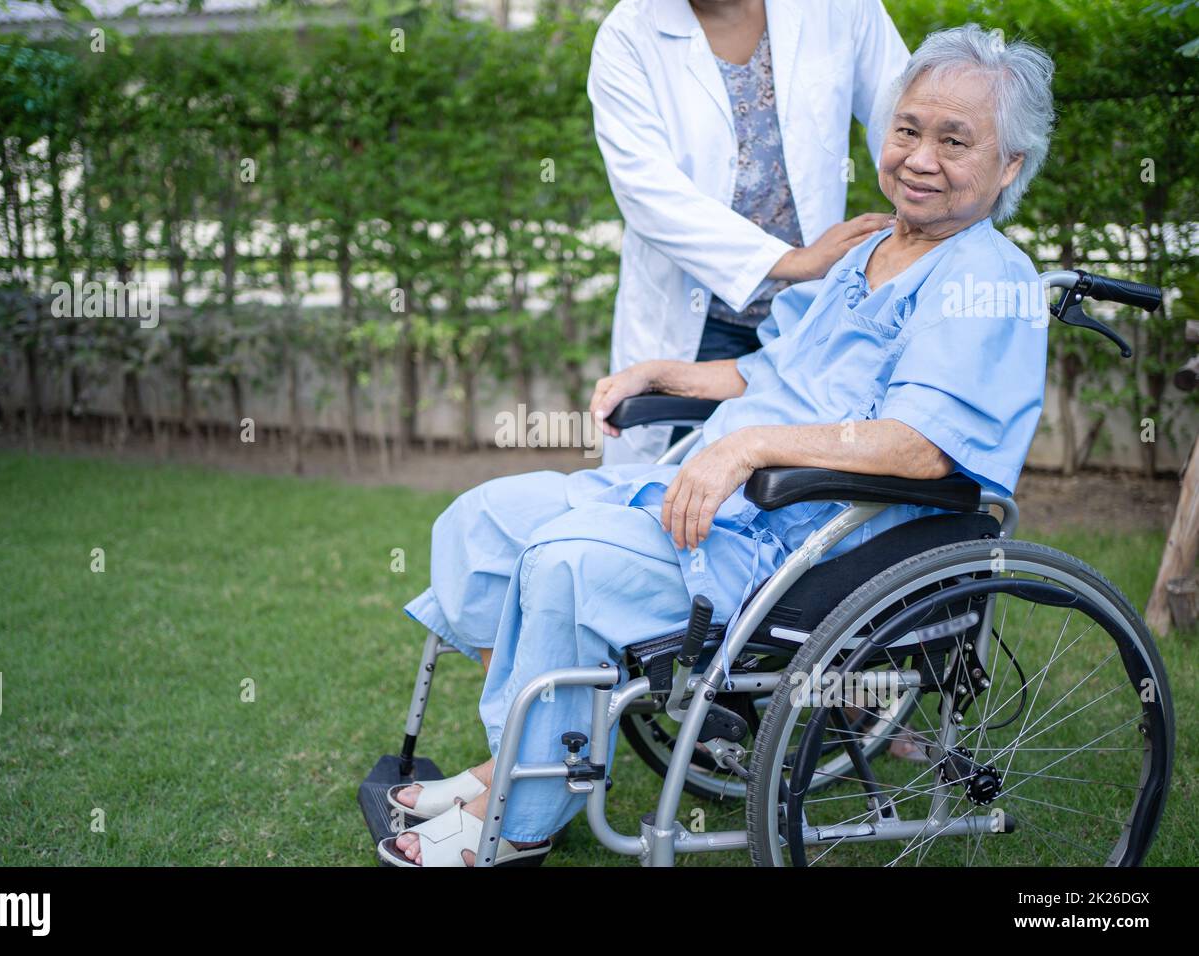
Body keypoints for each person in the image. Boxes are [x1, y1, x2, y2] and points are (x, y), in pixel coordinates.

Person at [381, 23, 1056, 867]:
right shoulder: (869, 250)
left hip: (789, 537)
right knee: (481, 521)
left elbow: (923, 446)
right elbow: (774, 367)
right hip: (709, 495)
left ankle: (518, 818)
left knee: (562, 562)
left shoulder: (983, 280)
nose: (920, 157)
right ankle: (519, 756)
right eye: (908, 130)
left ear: (1010, 167)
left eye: (955, 140)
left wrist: (745, 450)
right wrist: (671, 373)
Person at [588, 0, 910, 463]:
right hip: (697, 320)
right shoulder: (629, 33)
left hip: (809, 315)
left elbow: (905, 116)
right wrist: (793, 261)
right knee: (670, 492)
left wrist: (917, 232)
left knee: (803, 489)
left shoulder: (839, 8)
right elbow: (646, 190)